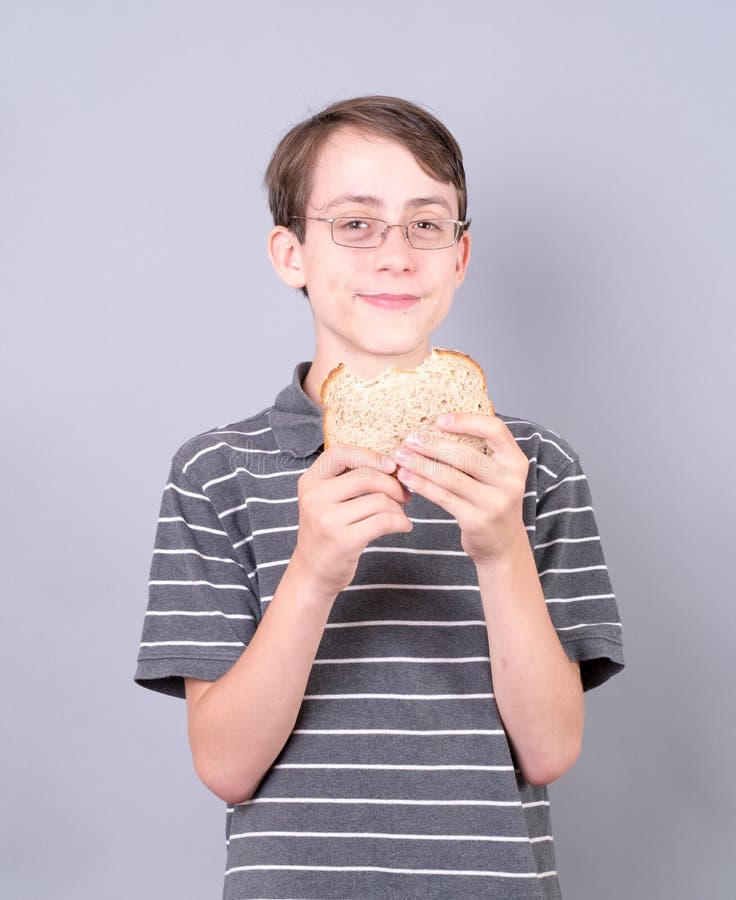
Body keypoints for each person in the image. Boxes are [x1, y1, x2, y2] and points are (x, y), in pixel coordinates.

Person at [135, 95, 624, 900]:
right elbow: (224, 766)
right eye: (355, 224)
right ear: (291, 253)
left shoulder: (532, 467)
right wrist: (313, 573)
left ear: (459, 258)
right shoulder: (215, 470)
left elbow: (547, 752)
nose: (395, 255)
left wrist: (502, 552)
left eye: (426, 225)